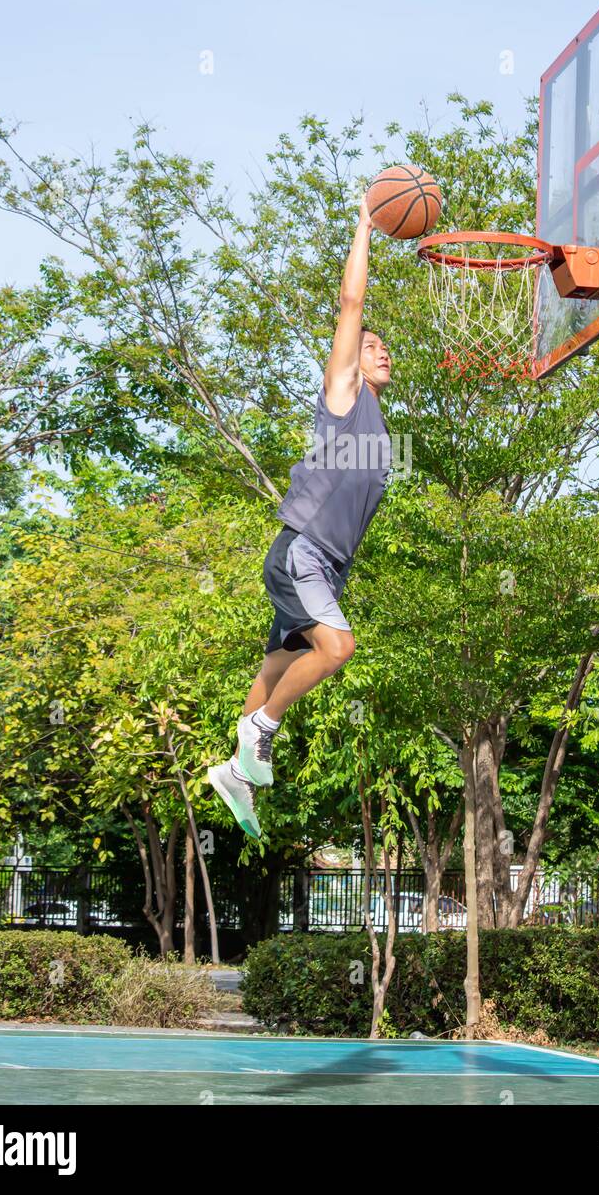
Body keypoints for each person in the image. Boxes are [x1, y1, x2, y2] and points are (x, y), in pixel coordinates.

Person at [208, 198, 391, 836]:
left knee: (277, 668)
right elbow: (350, 306)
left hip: (327, 567)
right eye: (371, 347)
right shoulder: (343, 394)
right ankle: (258, 732)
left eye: (384, 349)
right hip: (303, 551)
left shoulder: (378, 425)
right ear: (349, 359)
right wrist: (366, 225)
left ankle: (234, 773)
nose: (380, 351)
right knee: (337, 647)